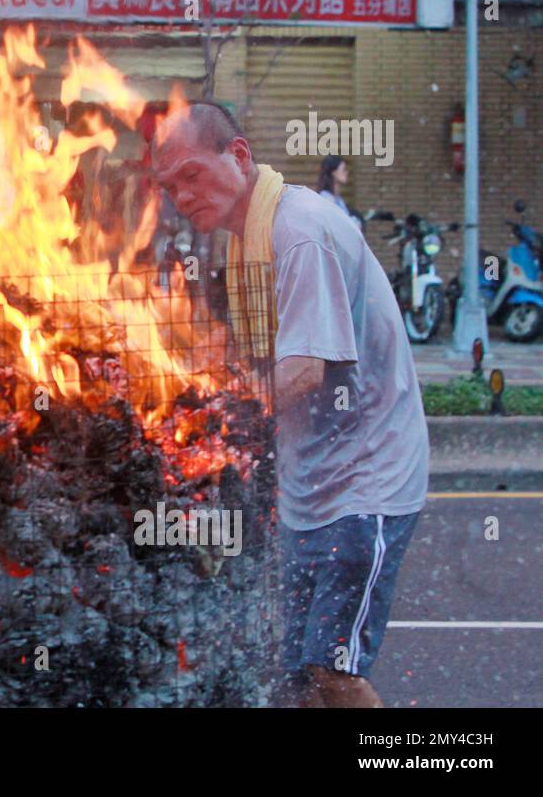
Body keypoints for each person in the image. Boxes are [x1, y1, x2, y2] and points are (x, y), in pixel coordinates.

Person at [150, 101, 428, 708]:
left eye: (193, 175)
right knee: (297, 678)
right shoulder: (249, 238)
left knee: (333, 672)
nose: (183, 196)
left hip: (365, 486)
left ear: (240, 156)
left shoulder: (298, 230)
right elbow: (263, 359)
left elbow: (302, 370)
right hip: (309, 488)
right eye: (171, 187)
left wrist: (213, 413)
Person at [315, 155, 363, 230]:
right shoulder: (326, 199)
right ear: (333, 172)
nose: (346, 172)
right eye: (343, 169)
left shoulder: (338, 199)